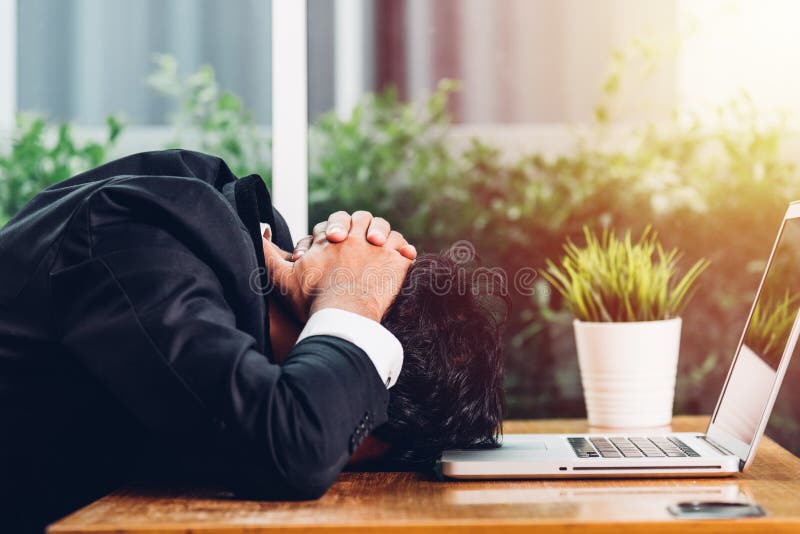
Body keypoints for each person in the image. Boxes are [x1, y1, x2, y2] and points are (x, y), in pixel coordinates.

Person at [0, 150, 504, 532]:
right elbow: (293, 449)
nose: (340, 434)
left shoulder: (240, 271)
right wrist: (353, 298)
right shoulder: (145, 238)